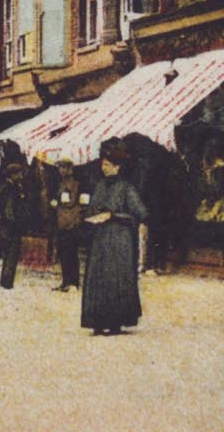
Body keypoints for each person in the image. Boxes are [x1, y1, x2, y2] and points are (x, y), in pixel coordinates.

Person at [82, 139, 147, 335]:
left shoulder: (126, 188)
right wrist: (92, 215)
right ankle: (98, 322)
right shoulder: (101, 185)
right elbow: (93, 207)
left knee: (116, 279)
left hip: (120, 241)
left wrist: (113, 215)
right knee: (98, 278)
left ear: (117, 166)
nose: (103, 168)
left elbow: (140, 213)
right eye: (102, 164)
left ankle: (116, 321)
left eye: (107, 165)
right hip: (101, 240)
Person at [0, 161, 29, 290]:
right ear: (12, 175)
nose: (21, 177)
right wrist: (4, 224)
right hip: (9, 225)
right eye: (19, 174)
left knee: (9, 254)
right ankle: (7, 282)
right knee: (11, 253)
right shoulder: (8, 189)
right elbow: (6, 209)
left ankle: (6, 280)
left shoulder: (13, 188)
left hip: (9, 224)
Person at [50, 157, 85, 291]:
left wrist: (58, 203)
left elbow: (70, 202)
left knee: (71, 252)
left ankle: (73, 282)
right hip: (62, 221)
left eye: (64, 167)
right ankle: (65, 281)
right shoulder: (61, 183)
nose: (61, 170)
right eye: (60, 167)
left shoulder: (74, 184)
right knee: (64, 253)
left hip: (71, 221)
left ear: (70, 169)